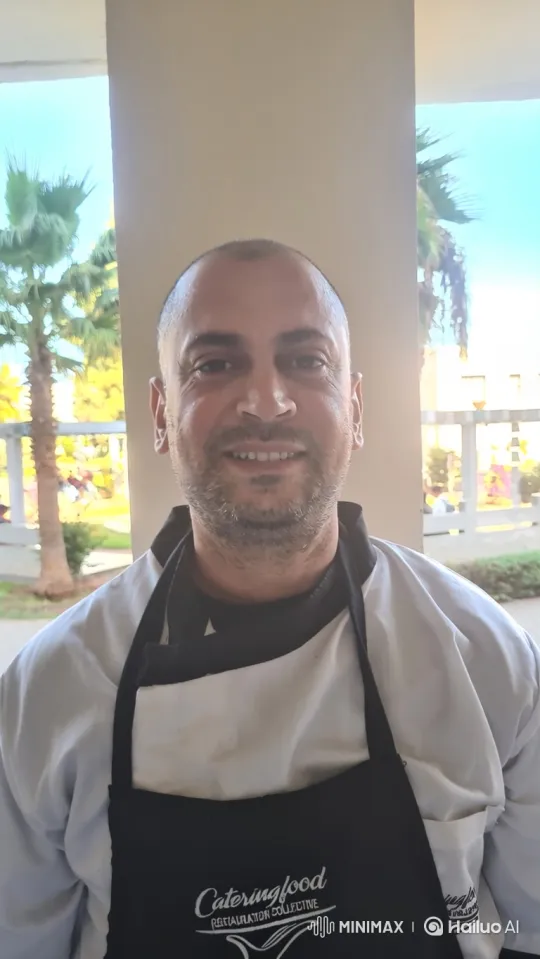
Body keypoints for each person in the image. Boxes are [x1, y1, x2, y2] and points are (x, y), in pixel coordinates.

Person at [0, 239, 538, 959]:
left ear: (354, 406)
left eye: (306, 360)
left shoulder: (486, 656)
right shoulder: (47, 692)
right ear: (160, 412)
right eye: (214, 364)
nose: (266, 401)